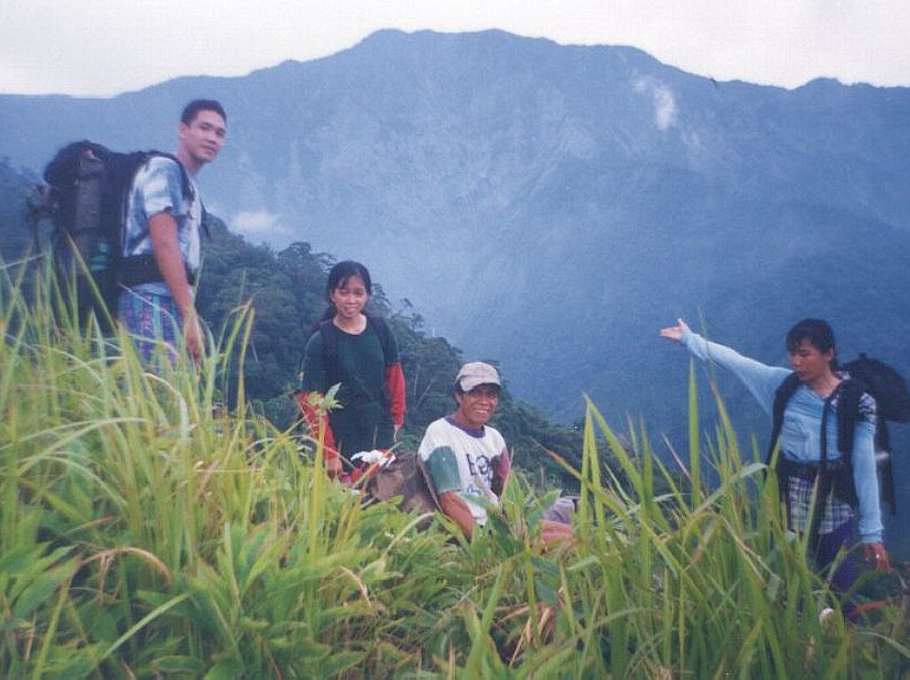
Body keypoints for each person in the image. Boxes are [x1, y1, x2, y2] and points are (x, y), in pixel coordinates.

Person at [660, 317, 890, 610]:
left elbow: (864, 468)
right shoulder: (782, 387)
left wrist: (872, 532)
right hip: (787, 502)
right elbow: (738, 362)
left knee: (839, 588)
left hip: (833, 504)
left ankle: (848, 639)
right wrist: (690, 340)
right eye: (792, 353)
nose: (796, 361)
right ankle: (801, 638)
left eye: (804, 354)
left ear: (828, 354)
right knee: (789, 584)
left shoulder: (857, 403)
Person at [118, 99, 227, 366]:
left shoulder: (188, 180)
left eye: (219, 133)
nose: (212, 138)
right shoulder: (163, 169)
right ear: (183, 129)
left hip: (171, 301)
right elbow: (164, 243)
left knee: (175, 398)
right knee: (159, 394)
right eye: (204, 128)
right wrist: (189, 316)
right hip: (149, 300)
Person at [418, 361, 574, 542]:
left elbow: (506, 493)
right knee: (568, 543)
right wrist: (486, 545)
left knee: (581, 535)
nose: (484, 401)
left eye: (490, 395)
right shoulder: (441, 432)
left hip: (501, 523)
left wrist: (519, 524)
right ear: (459, 396)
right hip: (474, 529)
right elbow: (450, 501)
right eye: (475, 393)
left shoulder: (494, 438)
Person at [298, 261, 406, 478]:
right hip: (341, 435)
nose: (351, 300)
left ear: (367, 295)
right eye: (344, 292)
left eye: (359, 293)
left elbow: (395, 379)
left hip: (379, 429)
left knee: (384, 494)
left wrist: (395, 422)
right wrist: (328, 452)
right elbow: (312, 401)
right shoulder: (321, 341)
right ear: (332, 294)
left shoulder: (380, 330)